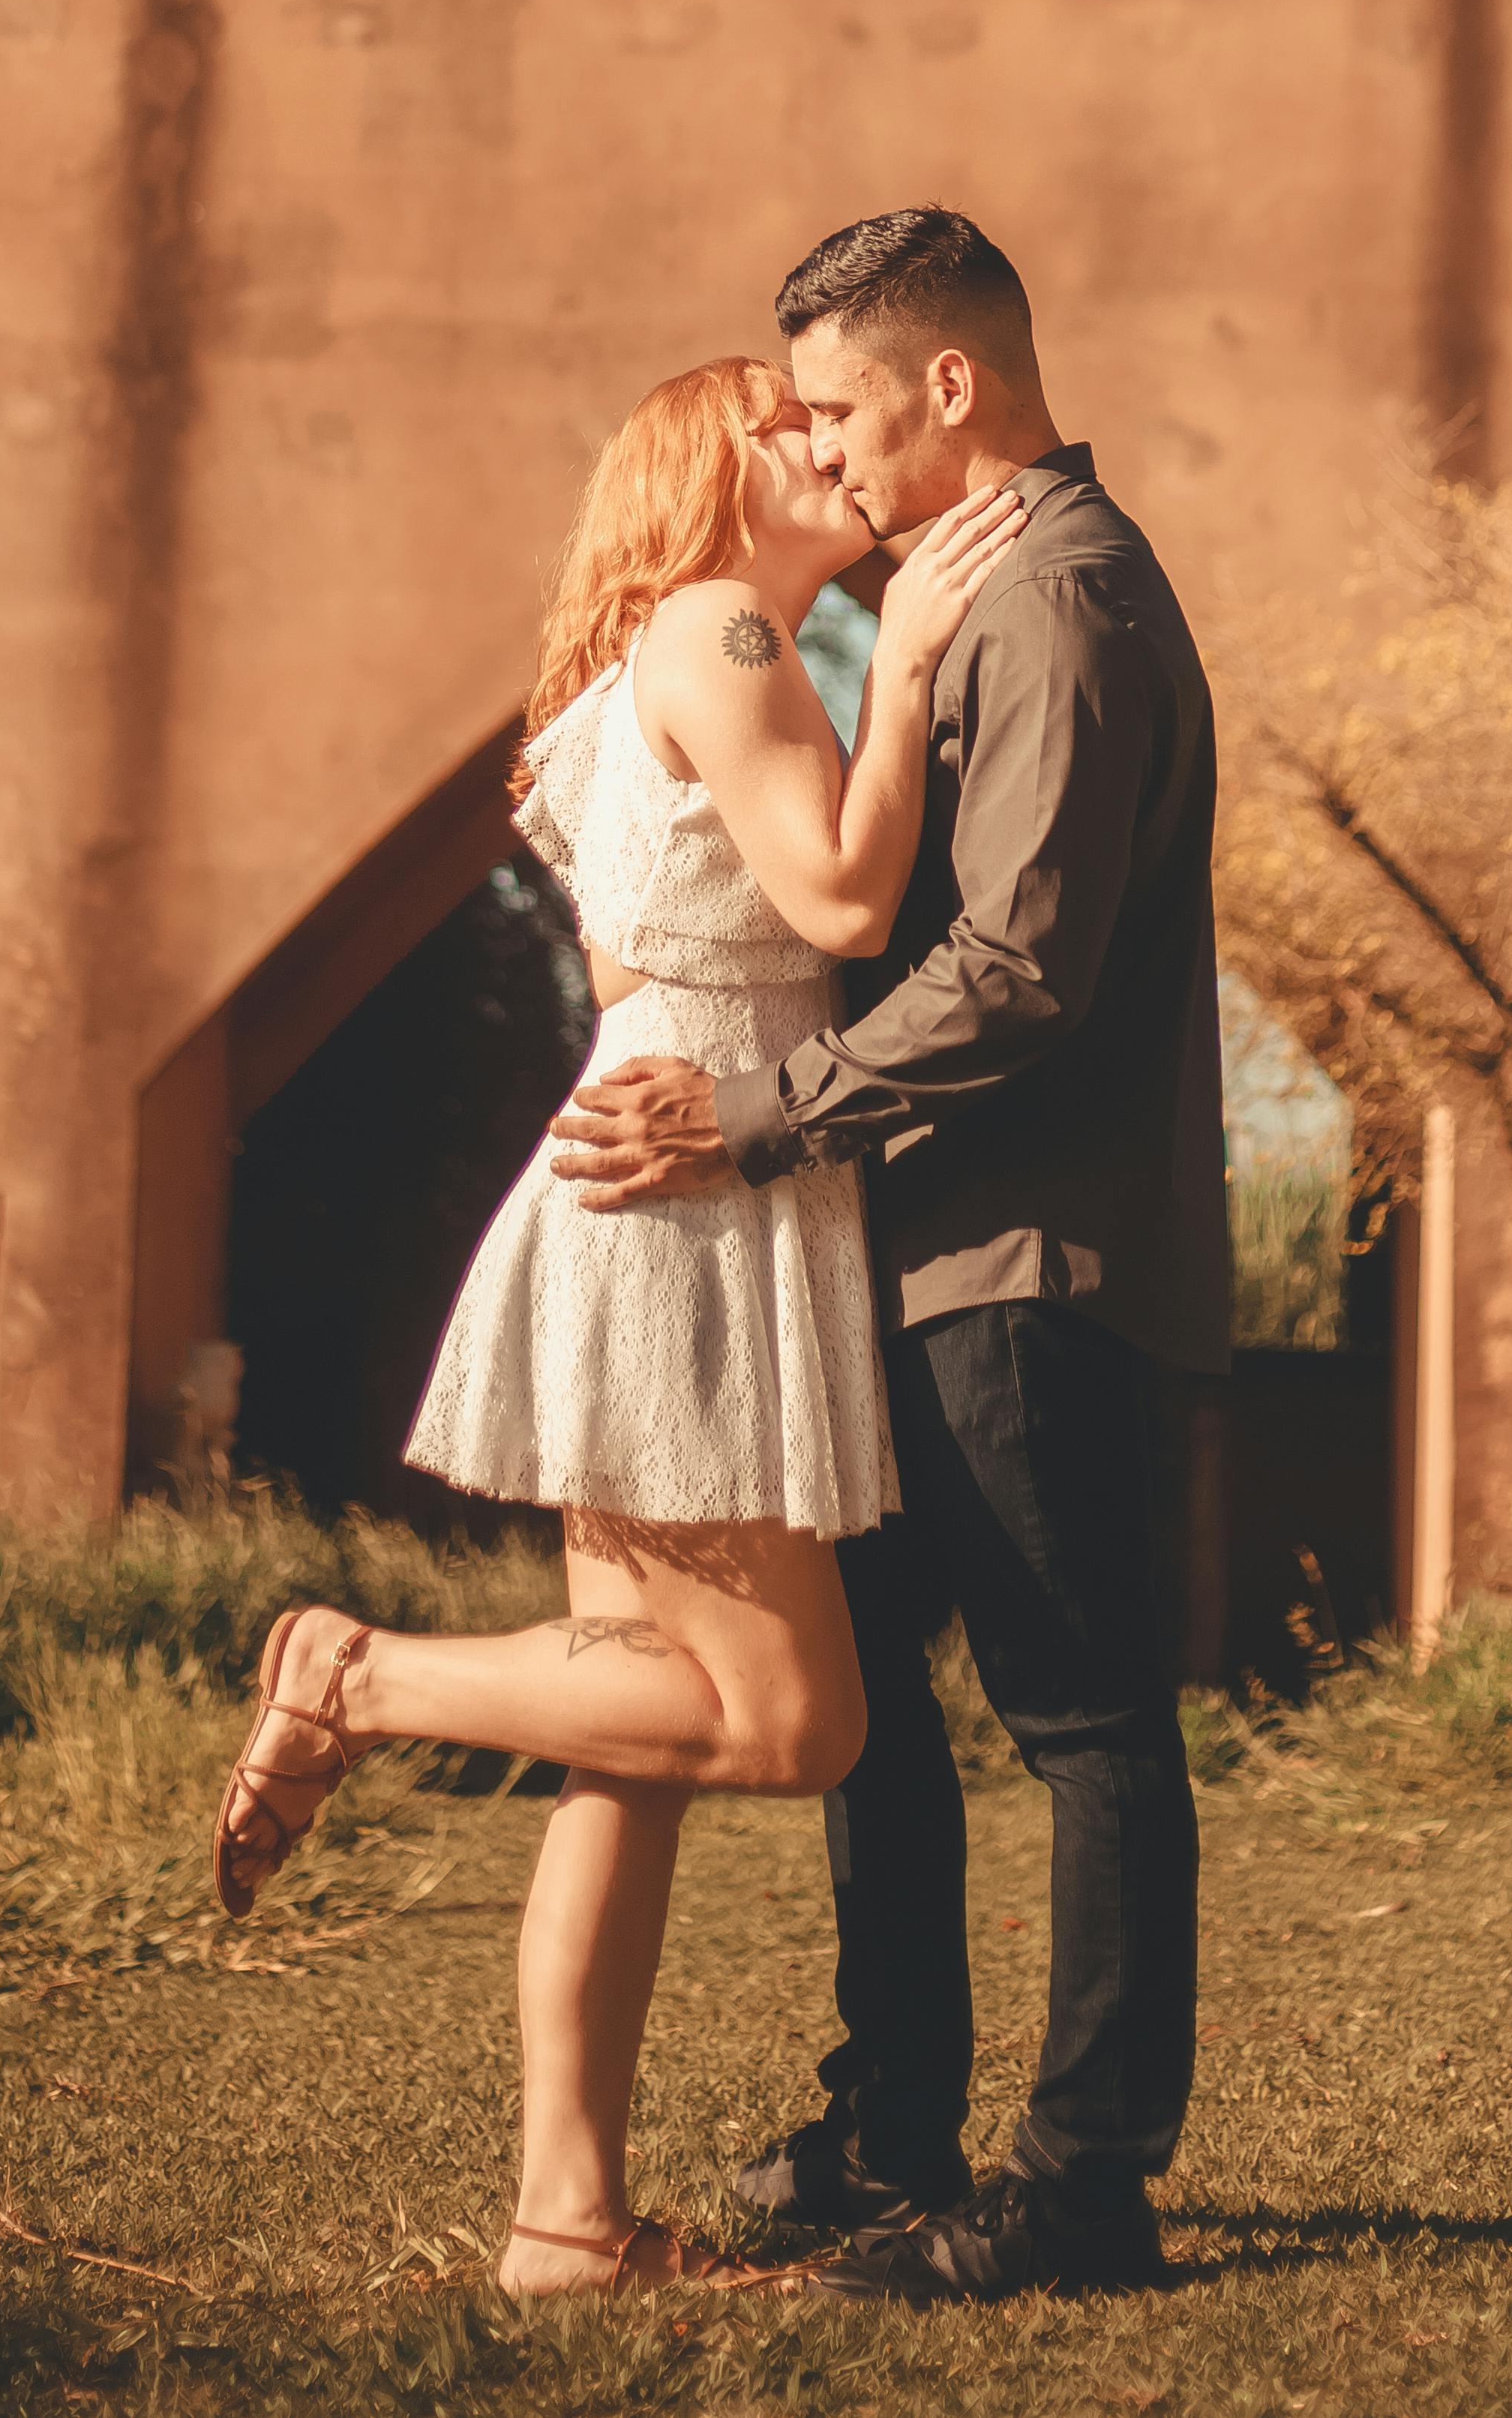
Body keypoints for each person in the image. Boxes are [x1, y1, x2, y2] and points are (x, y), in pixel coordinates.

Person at [208, 353, 1023, 2299]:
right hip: (693, 1203)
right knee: (798, 1716)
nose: (827, 441)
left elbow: (647, 965)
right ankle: (358, 1674)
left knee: (633, 1748)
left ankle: (562, 2223)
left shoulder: (626, 671)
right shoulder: (730, 619)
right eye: (787, 418)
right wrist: (906, 659)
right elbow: (834, 899)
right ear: (704, 468)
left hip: (667, 1175)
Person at [550, 209, 1231, 2306]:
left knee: (1083, 1714)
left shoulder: (1060, 599)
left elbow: (1016, 969)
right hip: (929, 1239)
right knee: (877, 1713)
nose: (825, 454)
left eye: (841, 406)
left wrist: (760, 1118)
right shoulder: (976, 590)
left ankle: (1079, 2187)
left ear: (951, 383)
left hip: (1033, 1249)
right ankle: (888, 2129)